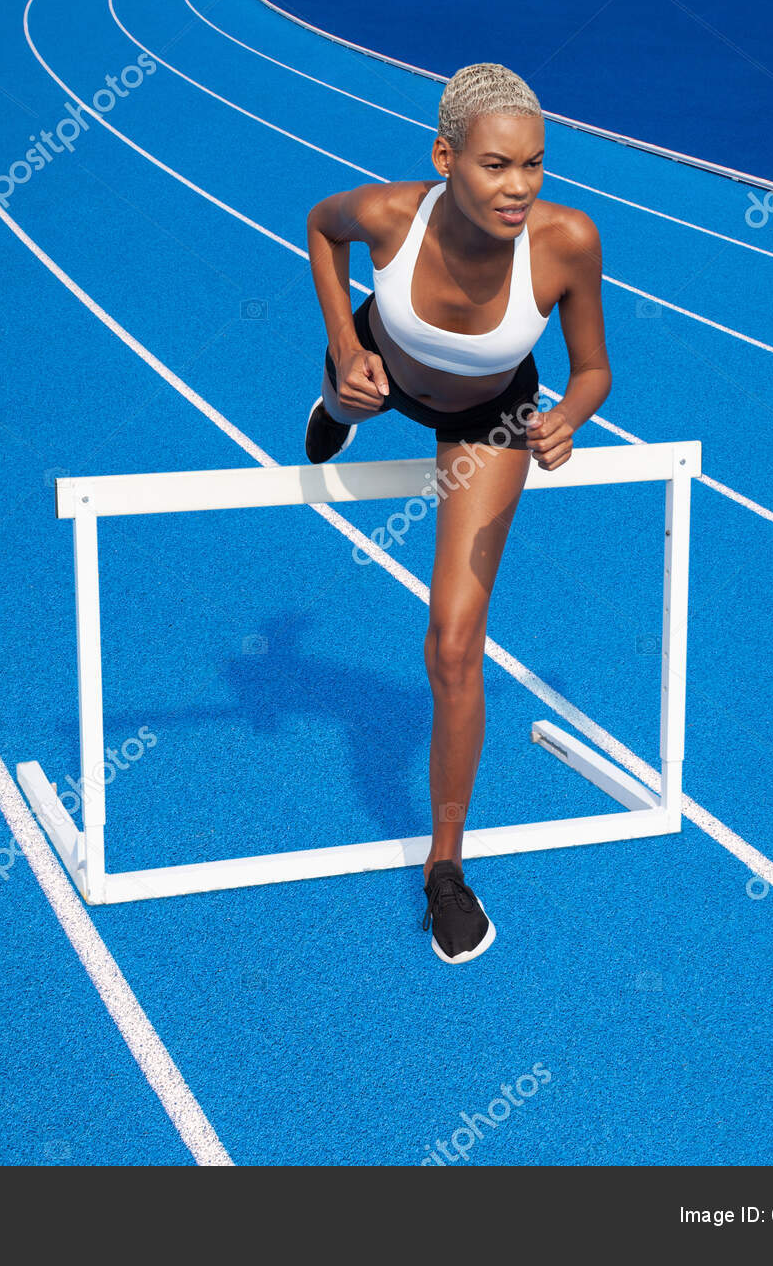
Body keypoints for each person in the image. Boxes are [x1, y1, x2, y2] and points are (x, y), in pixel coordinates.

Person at [304, 63, 612, 963]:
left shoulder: (567, 242)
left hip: (490, 417)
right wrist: (341, 341)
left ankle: (446, 868)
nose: (519, 187)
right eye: (494, 166)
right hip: (382, 367)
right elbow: (321, 231)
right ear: (446, 158)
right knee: (352, 400)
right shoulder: (392, 217)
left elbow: (593, 370)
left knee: (451, 643)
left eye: (534, 165)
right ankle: (333, 410)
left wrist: (567, 417)